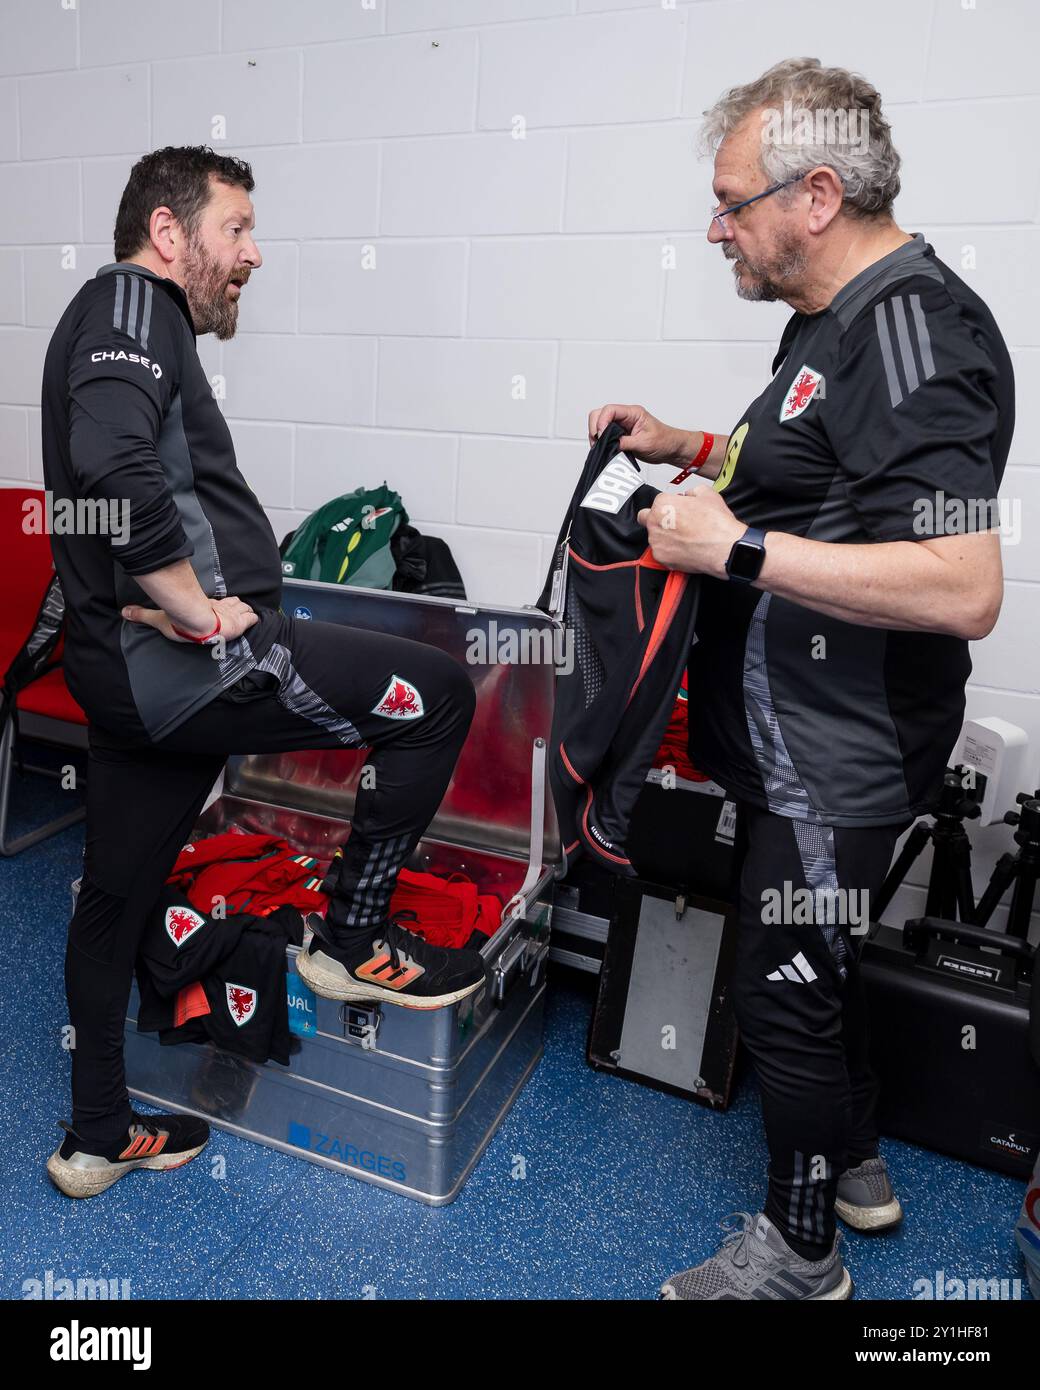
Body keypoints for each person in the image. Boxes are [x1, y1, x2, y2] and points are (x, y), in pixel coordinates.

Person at [589, 58, 1011, 1300]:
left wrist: (736, 548)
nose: (715, 226)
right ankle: (858, 1161)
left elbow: (961, 581)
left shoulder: (917, 334)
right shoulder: (826, 323)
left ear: (813, 194)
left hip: (839, 751)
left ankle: (799, 1253)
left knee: (782, 985)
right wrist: (689, 444)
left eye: (730, 202)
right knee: (815, 964)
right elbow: (804, 461)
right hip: (790, 738)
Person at [41, 146, 484, 1200]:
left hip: (127, 677)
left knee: (113, 898)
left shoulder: (116, 319)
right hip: (194, 666)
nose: (253, 253)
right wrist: (197, 608)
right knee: (435, 699)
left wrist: (155, 597)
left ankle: (95, 1134)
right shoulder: (132, 308)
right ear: (167, 233)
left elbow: (103, 493)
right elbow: (111, 465)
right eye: (234, 229)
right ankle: (351, 937)